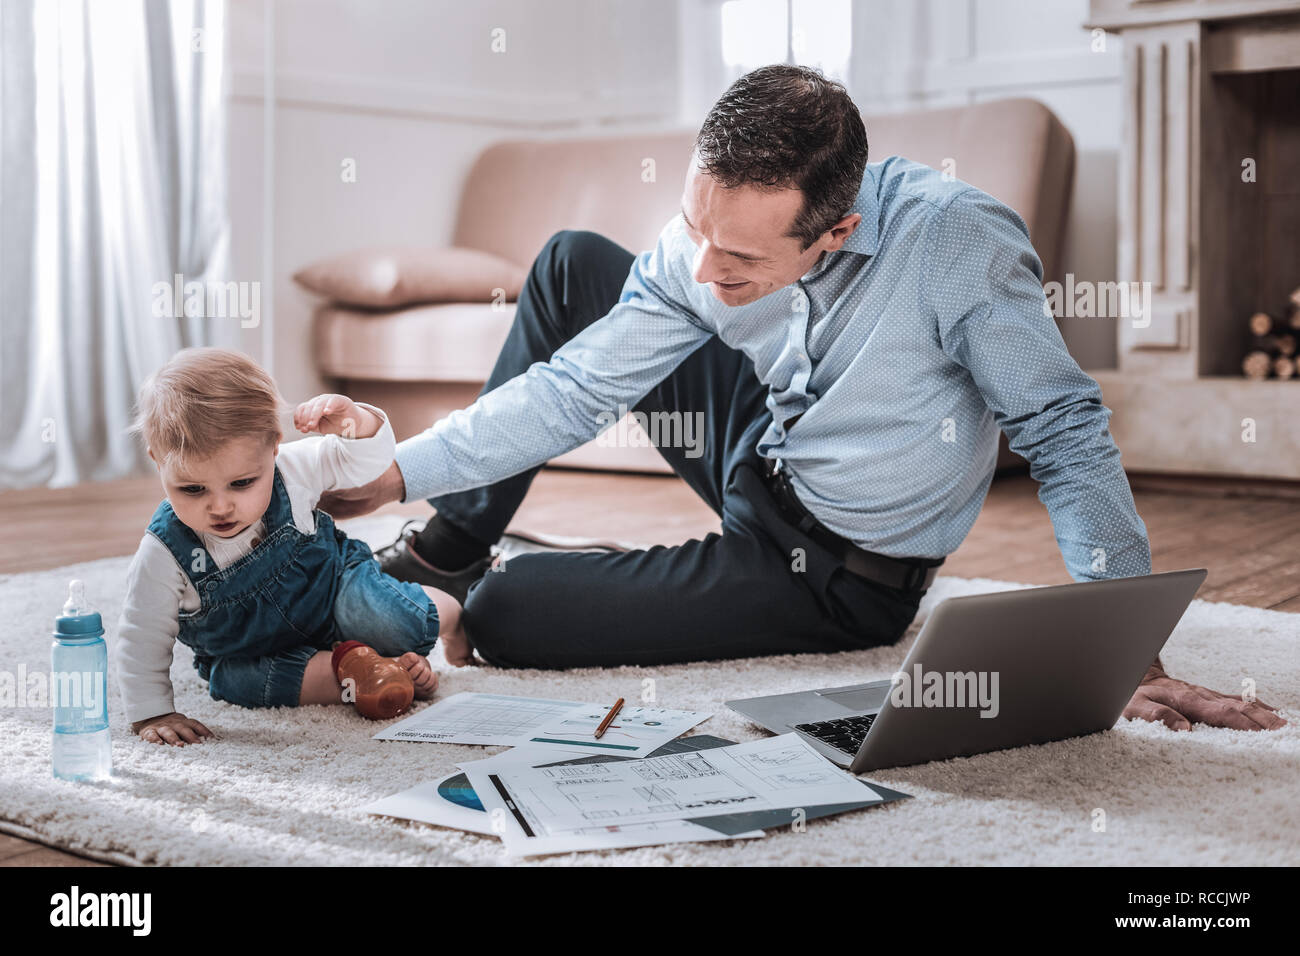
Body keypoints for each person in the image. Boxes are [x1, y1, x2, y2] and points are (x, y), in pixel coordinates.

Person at [321, 65, 1284, 734]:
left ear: (840, 228)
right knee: (575, 262)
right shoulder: (703, 246)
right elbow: (579, 388)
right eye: (698, 229)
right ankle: (448, 543)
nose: (704, 268)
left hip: (835, 573)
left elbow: (1063, 433)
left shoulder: (957, 245)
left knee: (503, 618)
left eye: (739, 257)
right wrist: (398, 471)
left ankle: (503, 577)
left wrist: (1123, 651)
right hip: (761, 447)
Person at [114, 347, 467, 746]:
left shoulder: (294, 470)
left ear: (274, 447)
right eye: (193, 489)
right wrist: (153, 713)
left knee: (391, 620)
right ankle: (371, 671)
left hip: (335, 594)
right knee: (235, 683)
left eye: (242, 483)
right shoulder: (163, 553)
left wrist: (355, 422)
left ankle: (454, 619)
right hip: (257, 651)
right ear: (158, 462)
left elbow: (362, 462)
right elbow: (142, 635)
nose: (220, 506)